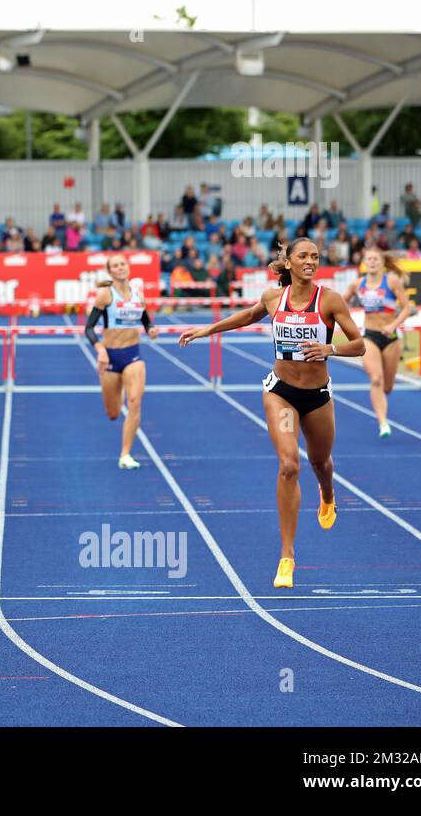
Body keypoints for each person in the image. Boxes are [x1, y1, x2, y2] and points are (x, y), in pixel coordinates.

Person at [178, 238, 364, 588]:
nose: (310, 261)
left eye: (315, 256)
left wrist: (330, 348)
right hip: (281, 393)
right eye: (303, 256)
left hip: (318, 396)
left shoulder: (330, 300)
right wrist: (206, 330)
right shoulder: (272, 298)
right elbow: (247, 316)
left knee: (321, 463)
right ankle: (287, 557)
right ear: (289, 262)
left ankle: (327, 495)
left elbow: (360, 344)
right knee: (289, 465)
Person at [85, 254, 160, 469]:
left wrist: (150, 329)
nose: (120, 268)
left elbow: (144, 317)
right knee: (113, 413)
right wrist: (99, 349)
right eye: (115, 266)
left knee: (135, 402)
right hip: (110, 357)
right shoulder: (105, 296)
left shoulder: (138, 292)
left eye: (122, 264)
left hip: (133, 356)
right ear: (110, 272)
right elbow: (88, 328)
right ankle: (118, 390)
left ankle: (125, 455)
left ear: (128, 267)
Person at [342, 247, 414, 437]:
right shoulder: (357, 284)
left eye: (375, 259)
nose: (372, 262)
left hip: (391, 338)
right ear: (365, 262)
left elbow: (406, 308)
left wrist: (393, 325)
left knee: (387, 387)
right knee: (376, 379)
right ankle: (383, 423)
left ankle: (383, 409)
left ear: (382, 263)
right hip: (369, 337)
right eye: (369, 259)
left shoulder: (392, 281)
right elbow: (340, 304)